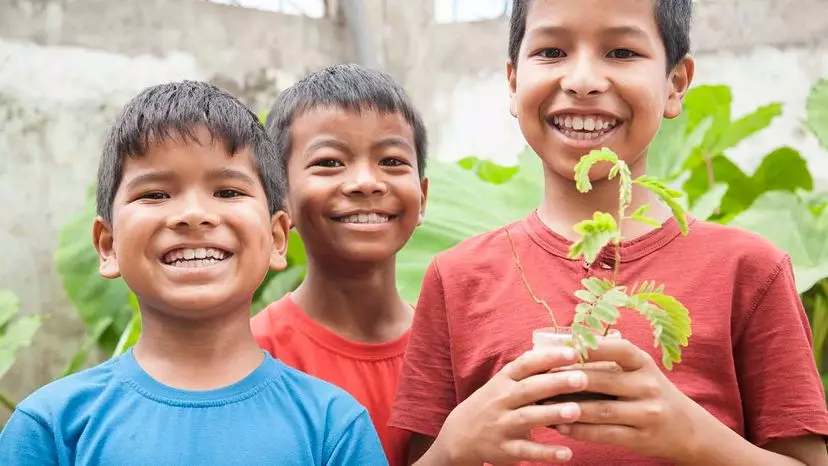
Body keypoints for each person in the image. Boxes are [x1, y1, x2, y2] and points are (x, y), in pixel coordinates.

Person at [390, 1, 828, 465]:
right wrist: (455, 447)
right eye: (552, 51)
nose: (582, 79)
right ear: (514, 83)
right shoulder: (456, 278)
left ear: (675, 84)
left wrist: (693, 435)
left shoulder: (749, 272)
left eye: (621, 52)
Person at [0, 80, 387, 465]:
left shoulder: (332, 425)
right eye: (154, 194)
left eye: (228, 192)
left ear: (276, 239)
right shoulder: (51, 427)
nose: (193, 215)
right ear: (108, 245)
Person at [251, 63, 428, 466]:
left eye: (392, 161)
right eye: (330, 162)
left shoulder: (449, 352)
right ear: (282, 201)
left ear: (423, 198)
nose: (366, 182)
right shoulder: (252, 357)